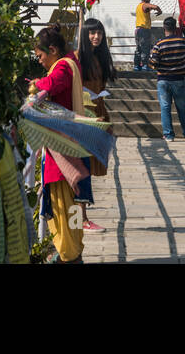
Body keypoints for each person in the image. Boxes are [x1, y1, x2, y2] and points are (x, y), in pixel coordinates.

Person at [27, 24, 87, 263]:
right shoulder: (72, 60)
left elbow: (52, 84)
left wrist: (36, 84)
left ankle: (68, 254)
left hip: (61, 149)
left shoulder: (62, 66)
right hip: (71, 144)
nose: (40, 61)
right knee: (72, 204)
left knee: (61, 205)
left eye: (41, 56)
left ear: (52, 50)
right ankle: (74, 251)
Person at [78, 18, 116, 232]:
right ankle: (80, 219)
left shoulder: (99, 58)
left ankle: (82, 217)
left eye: (99, 33)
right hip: (83, 118)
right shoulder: (78, 59)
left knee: (88, 168)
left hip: (98, 115)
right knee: (81, 169)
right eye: (92, 33)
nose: (96, 37)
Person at [150, 17, 185, 141]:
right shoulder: (182, 42)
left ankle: (168, 135)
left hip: (163, 80)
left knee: (165, 108)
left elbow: (153, 63)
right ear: (176, 28)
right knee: (182, 108)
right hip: (179, 79)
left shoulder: (159, 44)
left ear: (164, 28)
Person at [133, 0, 162, 71]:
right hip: (144, 30)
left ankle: (136, 65)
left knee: (138, 49)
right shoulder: (145, 4)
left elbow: (149, 9)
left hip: (138, 30)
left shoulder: (139, 6)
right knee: (145, 48)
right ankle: (145, 65)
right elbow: (155, 6)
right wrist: (159, 11)